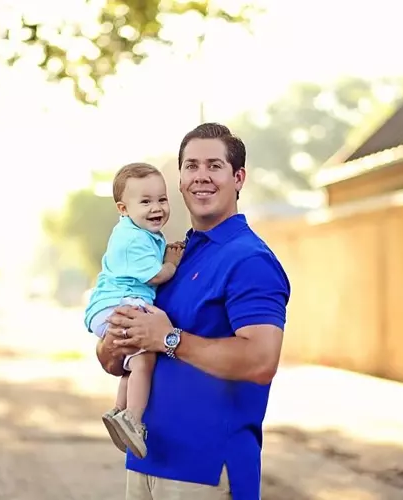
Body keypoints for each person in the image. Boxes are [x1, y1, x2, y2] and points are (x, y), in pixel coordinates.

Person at [96, 123, 291, 500]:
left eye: (214, 166)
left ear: (238, 178)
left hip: (205, 472)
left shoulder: (250, 260)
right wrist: (112, 343)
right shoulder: (169, 257)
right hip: (145, 464)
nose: (201, 176)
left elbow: (261, 360)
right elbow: (115, 359)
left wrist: (168, 338)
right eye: (191, 166)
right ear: (181, 179)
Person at [84, 162, 184, 459]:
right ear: (123, 209)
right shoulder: (131, 240)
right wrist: (172, 263)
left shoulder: (140, 232)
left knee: (132, 361)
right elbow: (156, 276)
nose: (156, 208)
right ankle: (133, 420)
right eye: (145, 201)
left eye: (162, 199)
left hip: (114, 302)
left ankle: (119, 412)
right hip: (118, 304)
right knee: (144, 357)